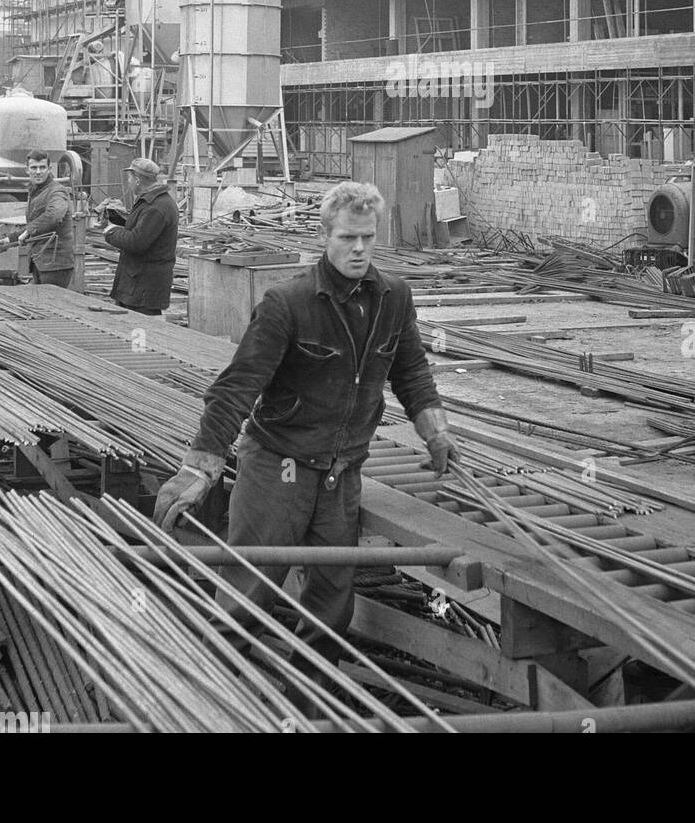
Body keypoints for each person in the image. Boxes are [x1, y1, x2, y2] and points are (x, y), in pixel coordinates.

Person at [152, 179, 458, 657]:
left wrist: (435, 431)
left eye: (368, 238)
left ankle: (310, 702)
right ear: (324, 235)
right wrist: (201, 464)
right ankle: (217, 694)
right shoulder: (287, 304)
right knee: (248, 592)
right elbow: (238, 387)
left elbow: (412, 371)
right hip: (279, 466)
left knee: (332, 609)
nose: (359, 249)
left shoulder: (394, 297)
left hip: (341, 474)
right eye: (347, 238)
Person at [102, 157, 179, 316]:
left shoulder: (157, 207)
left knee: (141, 335)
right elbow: (141, 226)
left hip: (144, 289)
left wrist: (110, 231)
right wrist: (115, 216)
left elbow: (137, 242)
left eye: (129, 178)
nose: (128, 182)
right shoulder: (153, 201)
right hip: (137, 285)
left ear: (137, 180)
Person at [18, 150, 75, 289]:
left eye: (42, 167)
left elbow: (54, 215)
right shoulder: (36, 191)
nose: (38, 172)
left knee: (51, 308)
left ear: (49, 169)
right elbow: (35, 223)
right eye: (34, 168)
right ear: (27, 170)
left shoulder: (57, 191)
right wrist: (9, 239)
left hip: (55, 265)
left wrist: (28, 231)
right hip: (41, 262)